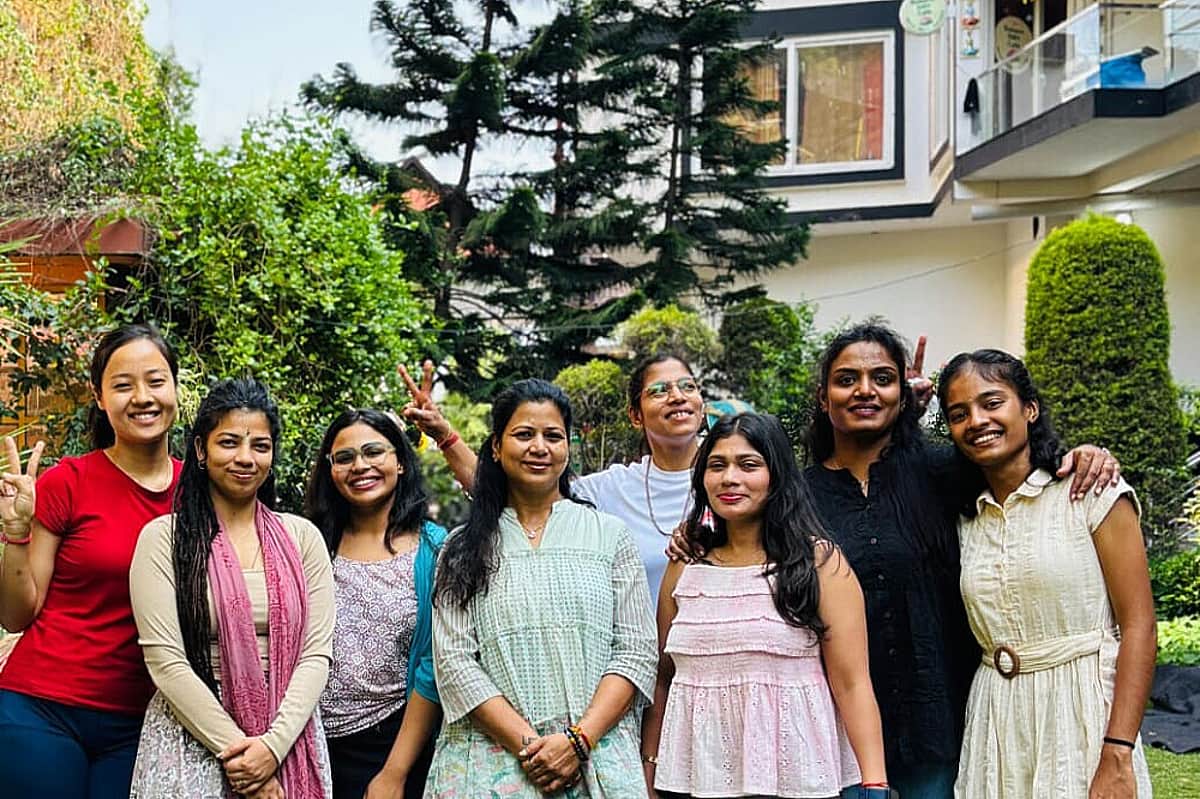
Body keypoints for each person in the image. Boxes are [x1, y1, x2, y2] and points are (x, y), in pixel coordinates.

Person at [801, 322, 1120, 799]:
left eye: (882, 378)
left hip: (943, 729)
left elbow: (1023, 463)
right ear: (824, 399)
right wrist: (691, 540)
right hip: (831, 737)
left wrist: (1087, 455)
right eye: (846, 379)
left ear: (903, 397)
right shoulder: (794, 498)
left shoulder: (948, 473)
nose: (865, 390)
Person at [425, 378, 657, 797]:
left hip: (596, 757)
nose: (539, 447)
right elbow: (455, 663)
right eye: (523, 434)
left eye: (553, 436)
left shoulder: (609, 535)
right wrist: (533, 748)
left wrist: (577, 741)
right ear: (496, 447)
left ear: (568, 447)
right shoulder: (461, 547)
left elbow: (637, 650)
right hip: (490, 765)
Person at [939, 350, 1155, 798]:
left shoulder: (1092, 492)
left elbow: (1139, 626)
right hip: (996, 717)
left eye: (992, 402)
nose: (977, 420)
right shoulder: (964, 518)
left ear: (1029, 408)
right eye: (959, 413)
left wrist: (1117, 751)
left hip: (1081, 712)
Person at [643, 412, 891, 799]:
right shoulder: (685, 565)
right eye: (717, 465)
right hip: (695, 782)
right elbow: (663, 677)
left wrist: (875, 784)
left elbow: (853, 683)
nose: (729, 478)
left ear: (776, 475)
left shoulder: (820, 563)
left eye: (749, 465)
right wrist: (649, 765)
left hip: (799, 780)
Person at [128, 378, 335, 798]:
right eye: (229, 443)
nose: (246, 458)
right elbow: (166, 661)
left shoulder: (303, 538)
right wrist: (244, 760)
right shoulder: (163, 539)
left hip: (288, 735)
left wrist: (272, 749)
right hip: (193, 737)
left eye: (260, 445)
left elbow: (316, 654)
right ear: (201, 451)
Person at [0, 323, 181, 799]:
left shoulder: (203, 494)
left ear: (176, 389)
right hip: (42, 706)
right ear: (100, 398)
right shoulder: (69, 481)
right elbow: (17, 615)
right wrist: (16, 535)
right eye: (123, 385)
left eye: (156, 381)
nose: (142, 396)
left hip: (143, 721)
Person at [400, 354, 703, 600]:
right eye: (659, 390)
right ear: (635, 415)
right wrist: (444, 434)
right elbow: (513, 486)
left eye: (688, 386)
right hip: (641, 670)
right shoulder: (611, 490)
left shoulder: (741, 478)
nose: (677, 397)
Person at [305, 409, 446, 798]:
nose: (360, 466)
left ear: (400, 462)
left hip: (392, 746)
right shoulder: (307, 543)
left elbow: (432, 665)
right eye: (345, 458)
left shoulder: (433, 548)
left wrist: (395, 773)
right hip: (307, 743)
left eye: (374, 452)